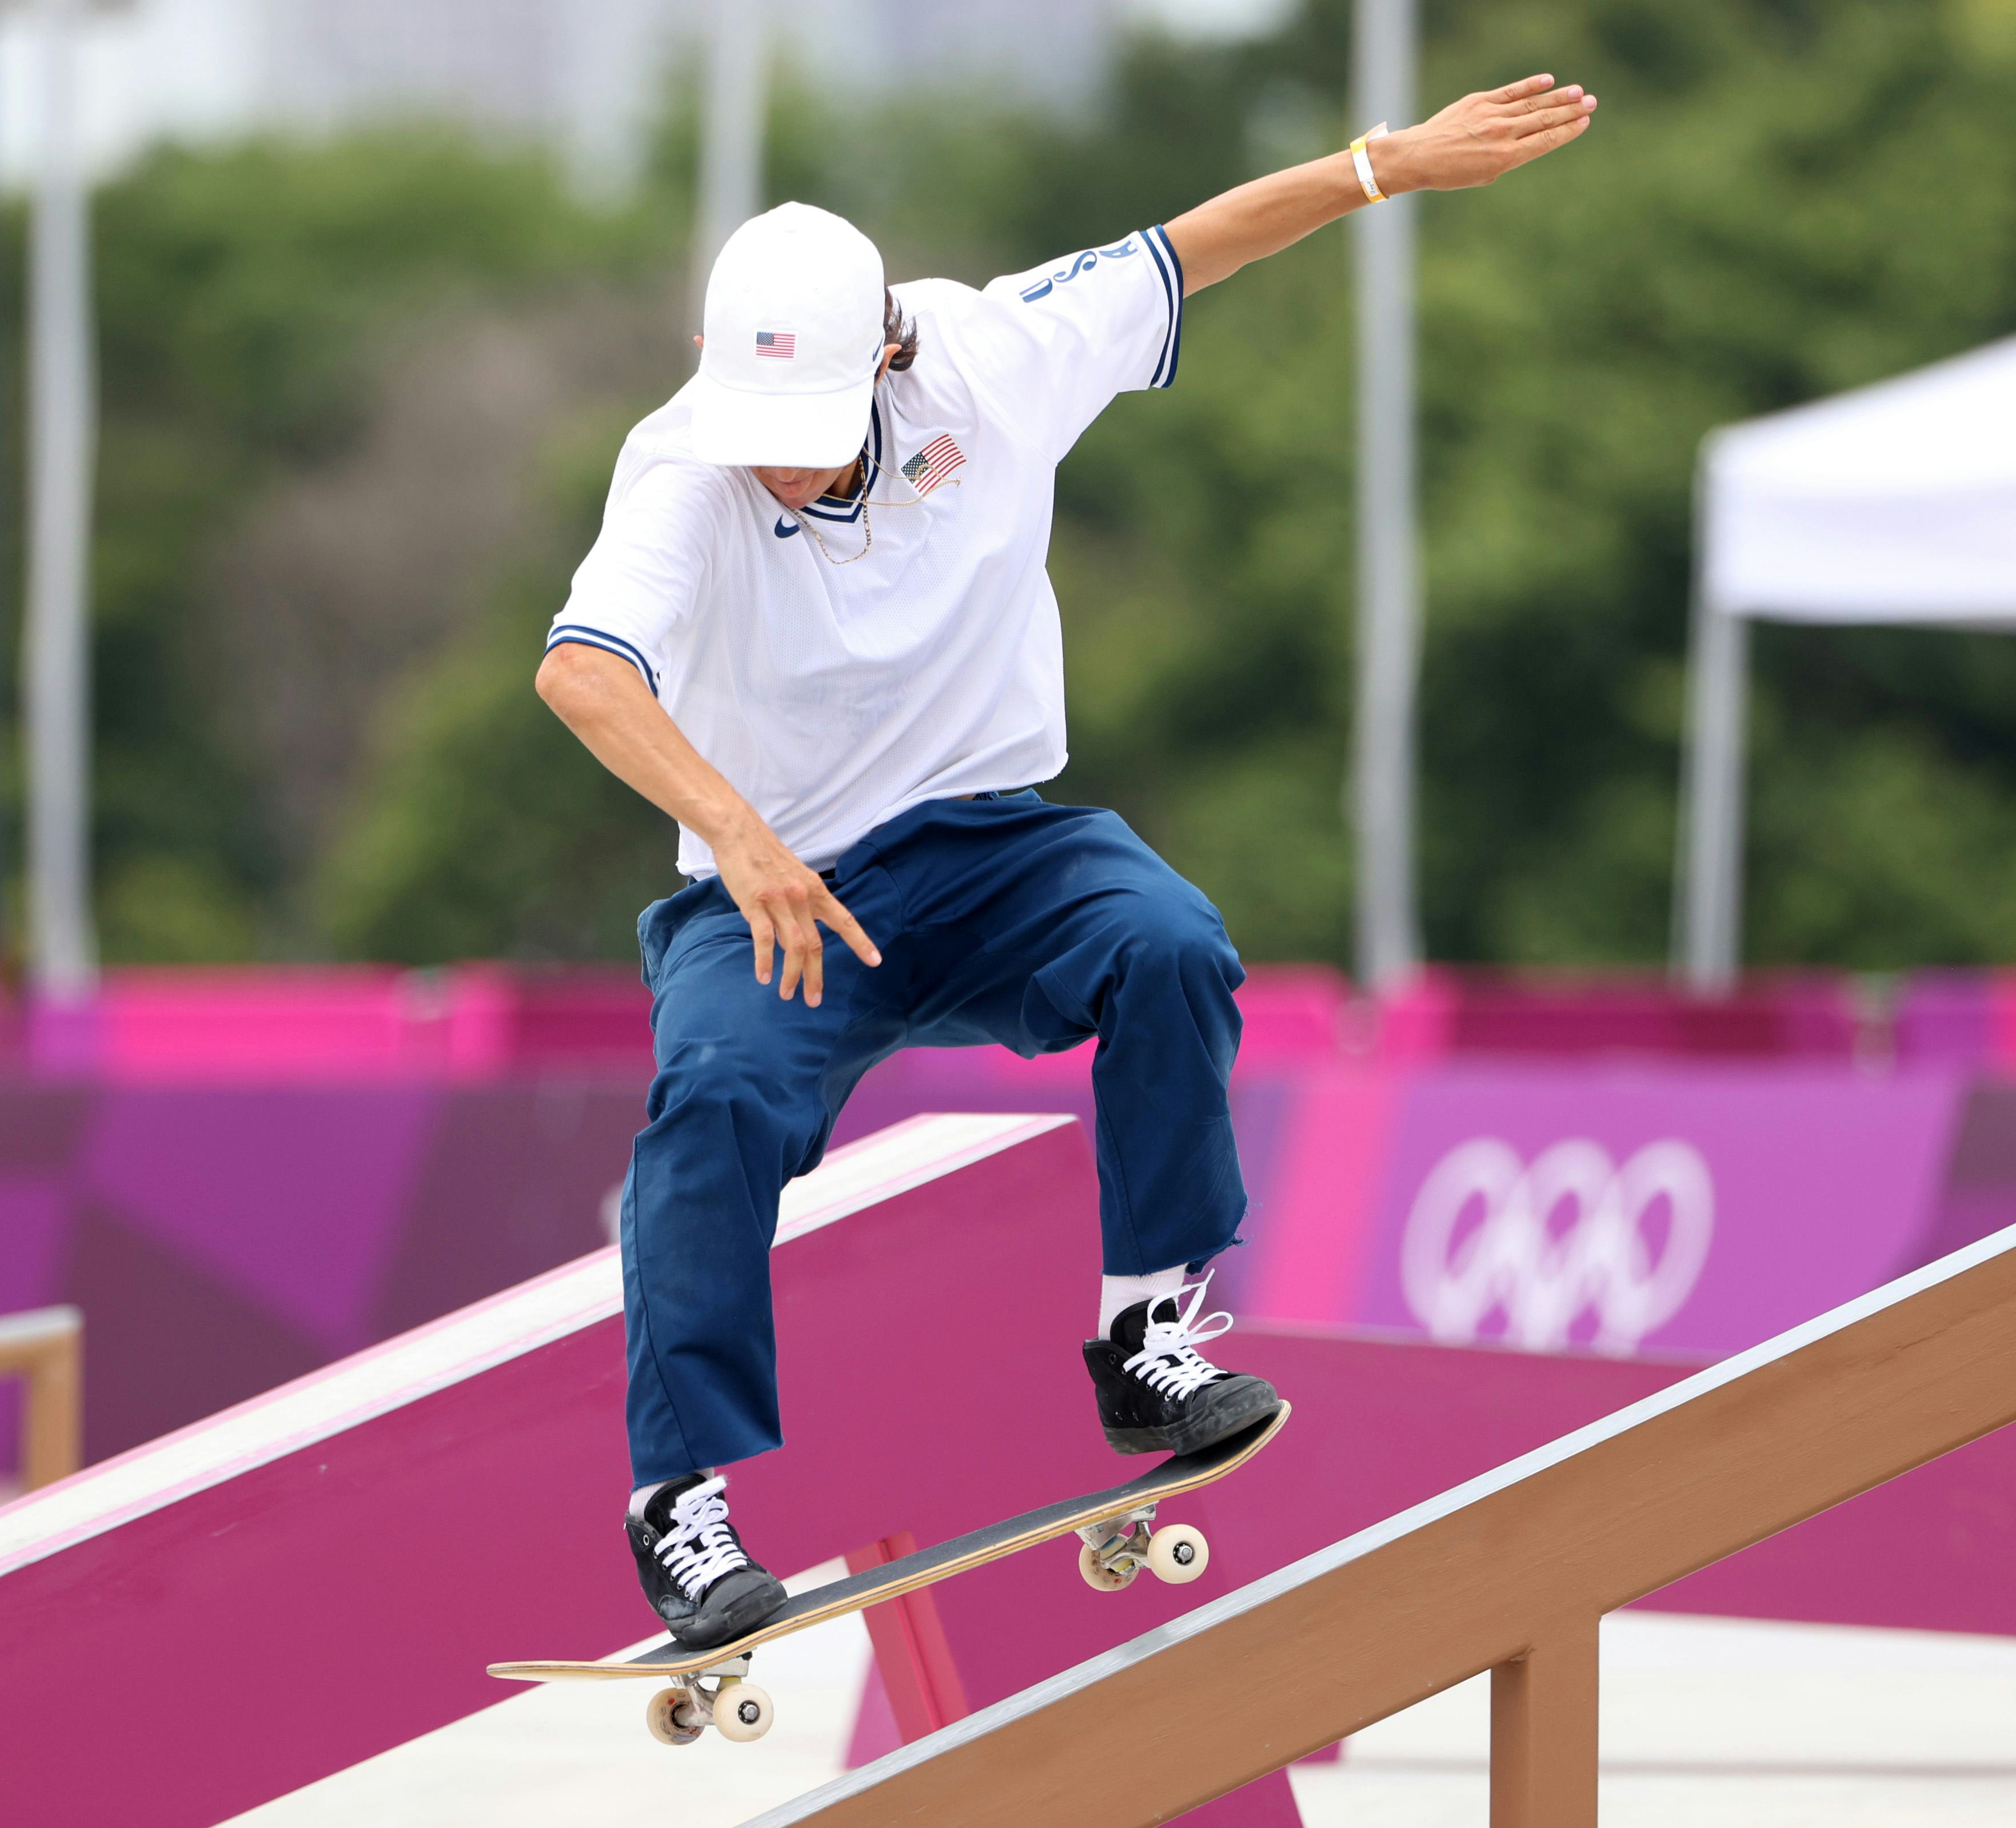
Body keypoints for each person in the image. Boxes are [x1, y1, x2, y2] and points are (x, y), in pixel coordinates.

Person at [537, 75, 1599, 1647]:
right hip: (778, 897)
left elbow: (1191, 246)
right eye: (756, 436)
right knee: (711, 1100)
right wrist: (740, 833)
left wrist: (1387, 165)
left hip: (991, 853)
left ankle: (1144, 1337)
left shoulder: (988, 353)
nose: (779, 469)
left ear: (885, 353)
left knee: (1168, 940)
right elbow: (582, 669)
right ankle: (680, 1500)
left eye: (807, 438)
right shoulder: (679, 472)